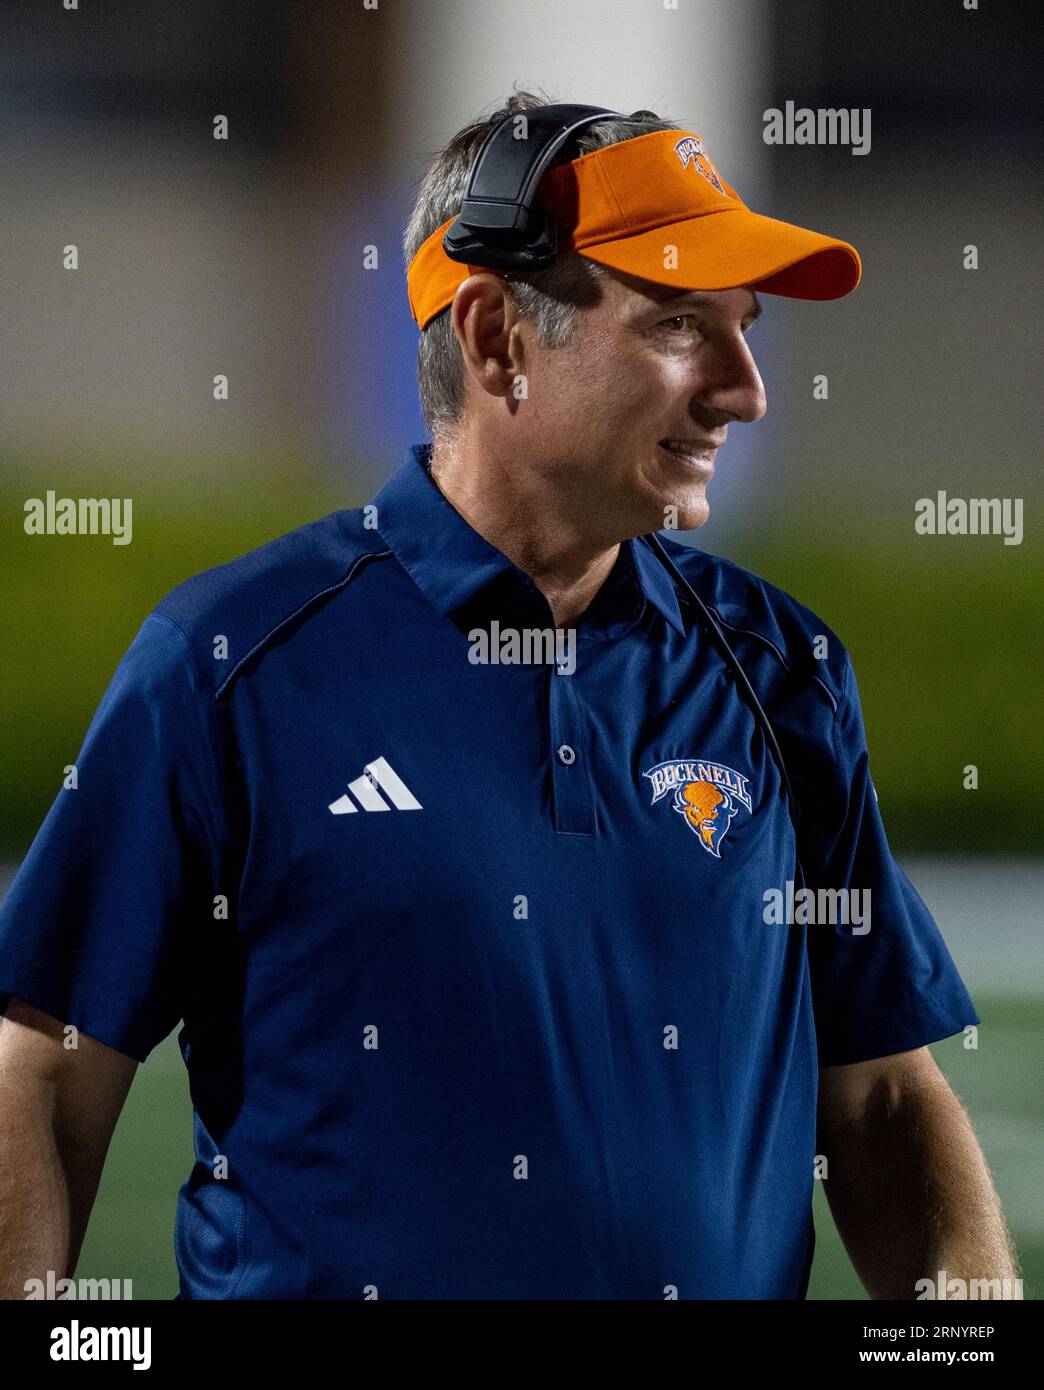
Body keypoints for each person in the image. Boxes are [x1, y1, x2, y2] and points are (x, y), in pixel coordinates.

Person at [0, 92, 1020, 1300]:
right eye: (683, 326)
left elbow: (886, 1088)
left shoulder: (780, 668)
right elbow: (45, 1080)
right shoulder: (229, 664)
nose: (745, 390)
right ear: (494, 340)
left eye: (744, 331)